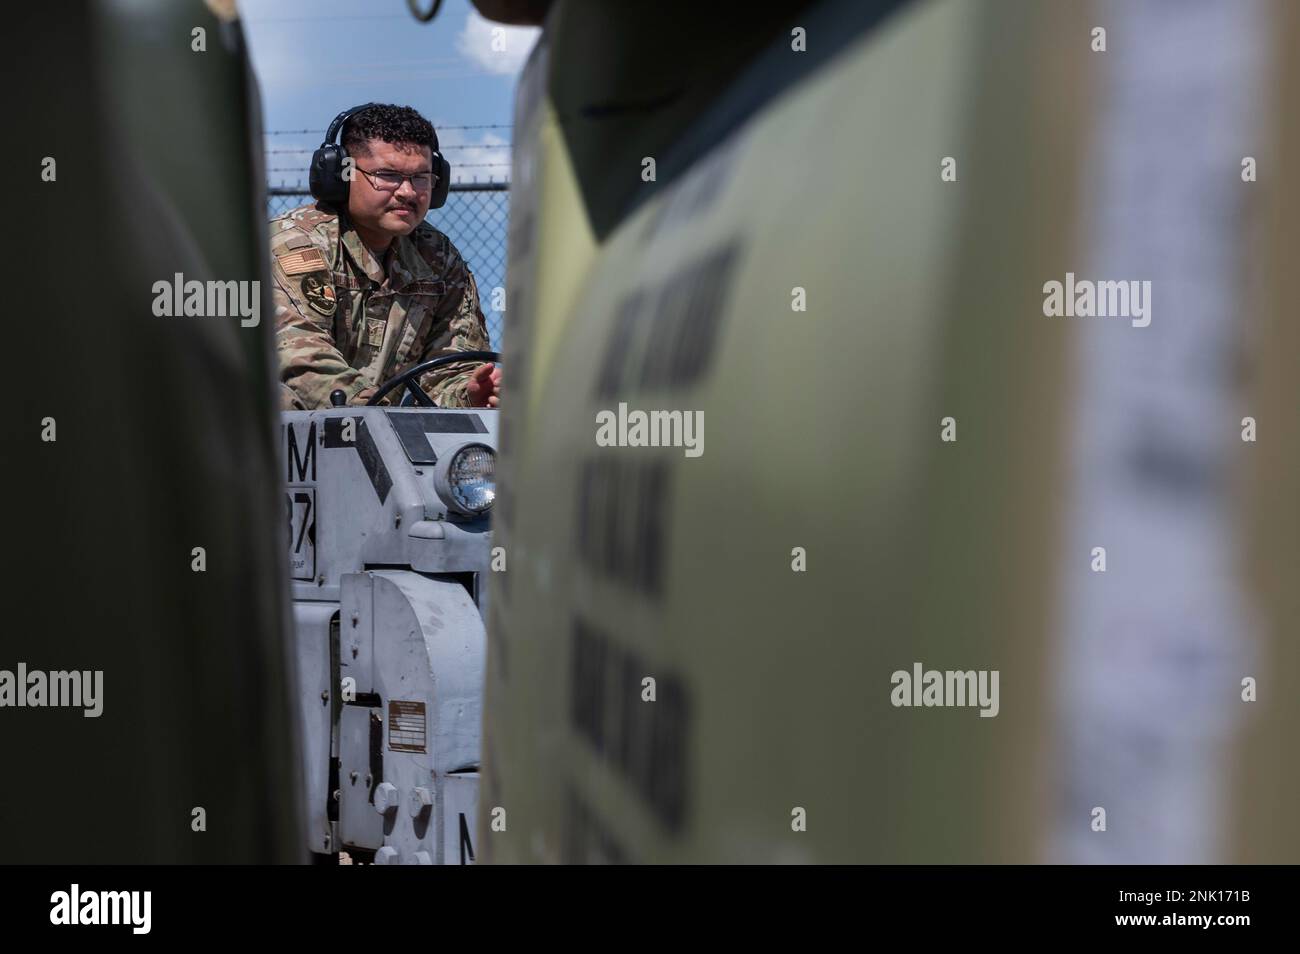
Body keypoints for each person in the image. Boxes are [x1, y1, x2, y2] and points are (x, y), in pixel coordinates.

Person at [272, 103, 502, 409]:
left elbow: (449, 369)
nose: (408, 192)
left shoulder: (438, 258)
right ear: (341, 175)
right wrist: (380, 417)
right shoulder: (297, 244)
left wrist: (469, 395)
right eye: (388, 175)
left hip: (381, 433)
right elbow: (301, 361)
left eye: (421, 178)